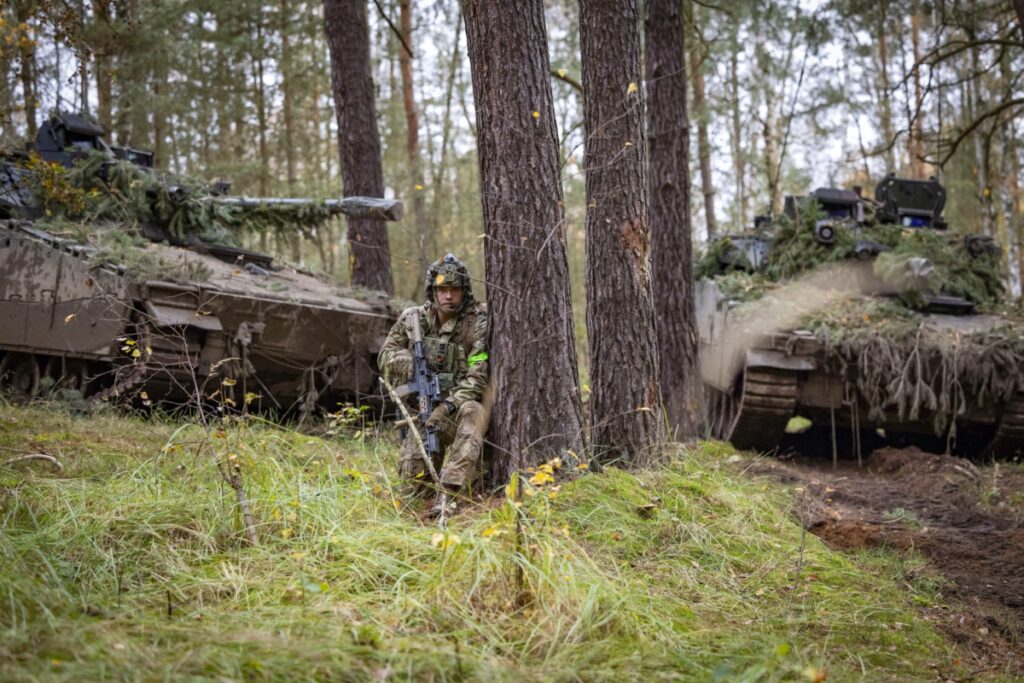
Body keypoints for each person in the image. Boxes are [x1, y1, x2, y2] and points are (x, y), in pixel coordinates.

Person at [379, 253, 489, 516]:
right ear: (433, 291)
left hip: (457, 414)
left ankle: (449, 493)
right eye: (442, 290)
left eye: (454, 290)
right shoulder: (413, 318)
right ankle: (428, 493)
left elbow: (478, 375)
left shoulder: (477, 323)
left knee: (474, 410)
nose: (448, 296)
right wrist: (406, 361)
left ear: (464, 291)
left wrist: (449, 406)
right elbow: (385, 355)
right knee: (413, 491)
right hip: (424, 415)